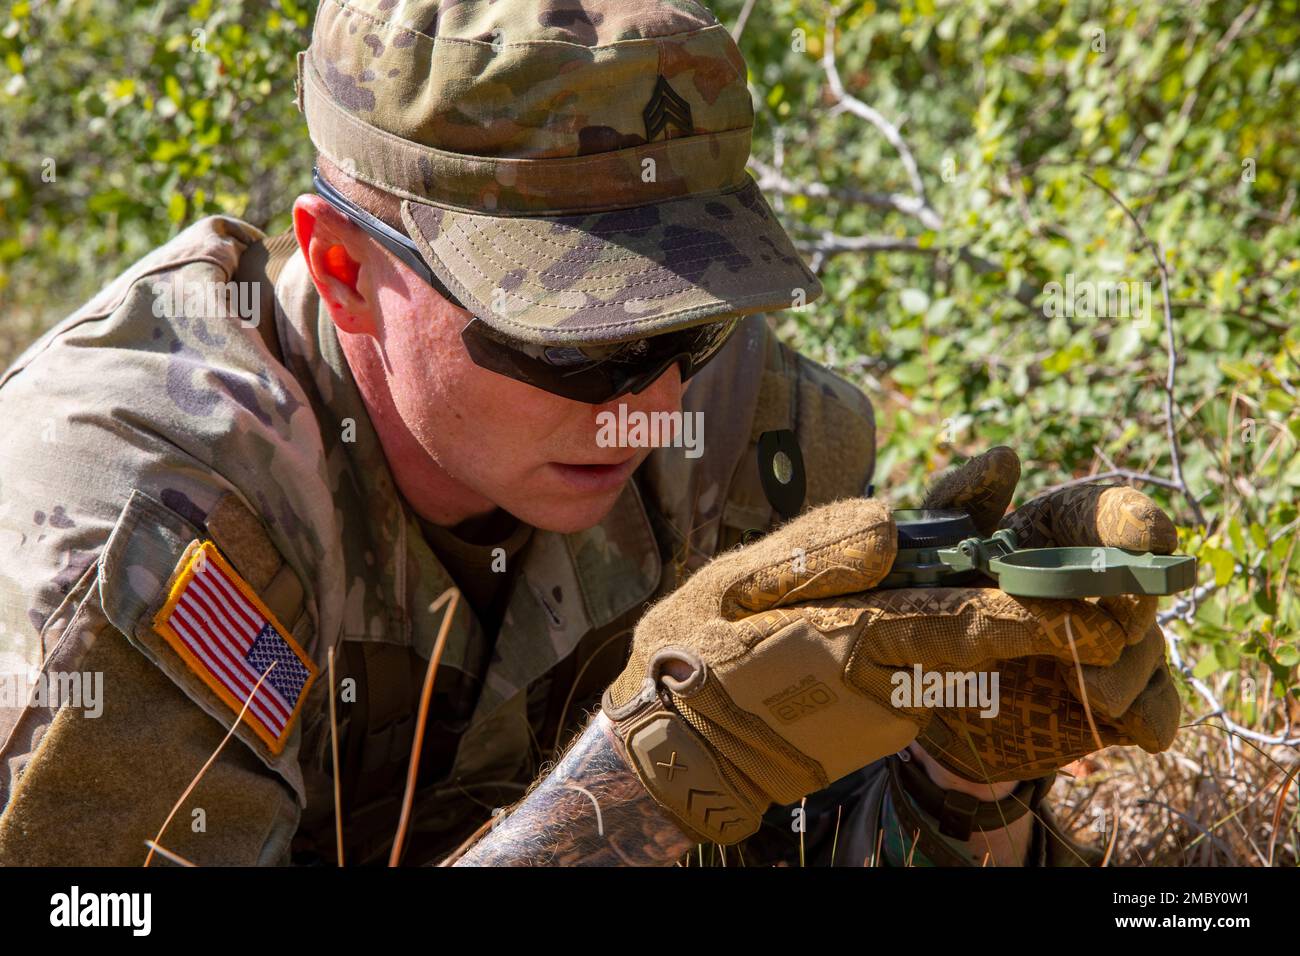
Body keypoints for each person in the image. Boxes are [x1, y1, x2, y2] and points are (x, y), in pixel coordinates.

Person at [0, 0, 1179, 867]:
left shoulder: (738, 434)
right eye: (571, 338)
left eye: (690, 321)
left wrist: (958, 779)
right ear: (343, 266)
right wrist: (654, 774)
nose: (650, 399)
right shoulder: (132, 530)